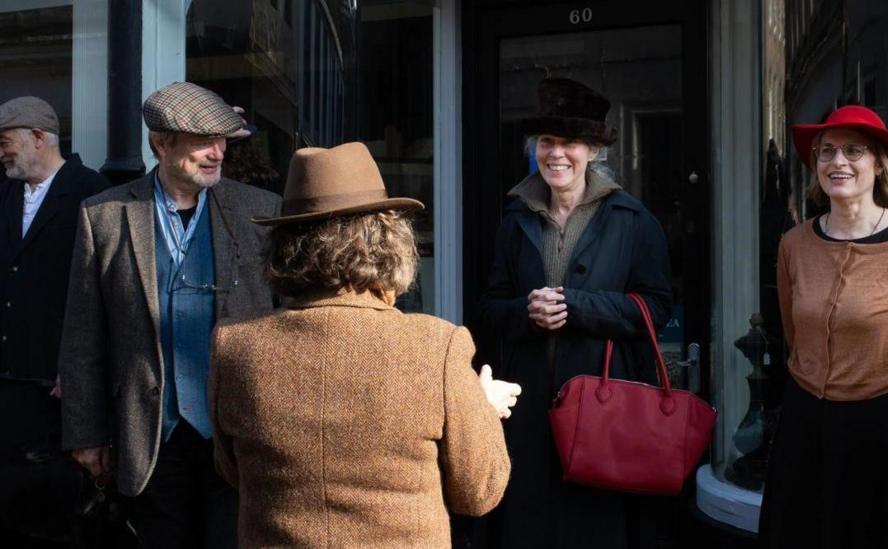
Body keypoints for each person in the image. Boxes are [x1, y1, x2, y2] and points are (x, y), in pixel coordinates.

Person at [208, 142, 516, 548]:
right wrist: (483, 409)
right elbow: (478, 493)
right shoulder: (435, 346)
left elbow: (233, 470)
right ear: (388, 241)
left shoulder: (235, 345)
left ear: (285, 245)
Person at [58, 81, 281, 549]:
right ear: (161, 143)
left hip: (240, 432)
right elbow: (83, 334)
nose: (218, 153)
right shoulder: (105, 215)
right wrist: (85, 432)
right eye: (204, 141)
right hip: (150, 435)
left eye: (223, 140)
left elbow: (287, 321)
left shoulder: (260, 212)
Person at [479, 77, 673, 548]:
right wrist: (526, 312)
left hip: (602, 412)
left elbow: (657, 307)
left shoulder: (631, 219)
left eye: (570, 143)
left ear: (592, 151)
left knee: (596, 530)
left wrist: (577, 306)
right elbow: (488, 308)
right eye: (547, 142)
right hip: (526, 412)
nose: (557, 154)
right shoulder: (514, 218)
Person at [759, 105, 888, 548]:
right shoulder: (794, 244)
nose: (837, 162)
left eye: (853, 150)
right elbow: (793, 333)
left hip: (885, 429)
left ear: (879, 163)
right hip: (807, 425)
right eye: (826, 152)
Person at [0, 96, 110, 545]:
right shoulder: (3, 191)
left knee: (55, 514)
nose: (1, 153)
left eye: (5, 142)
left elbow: (103, 293)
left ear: (39, 137)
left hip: (57, 385)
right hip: (7, 380)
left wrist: (80, 368)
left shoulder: (91, 191)